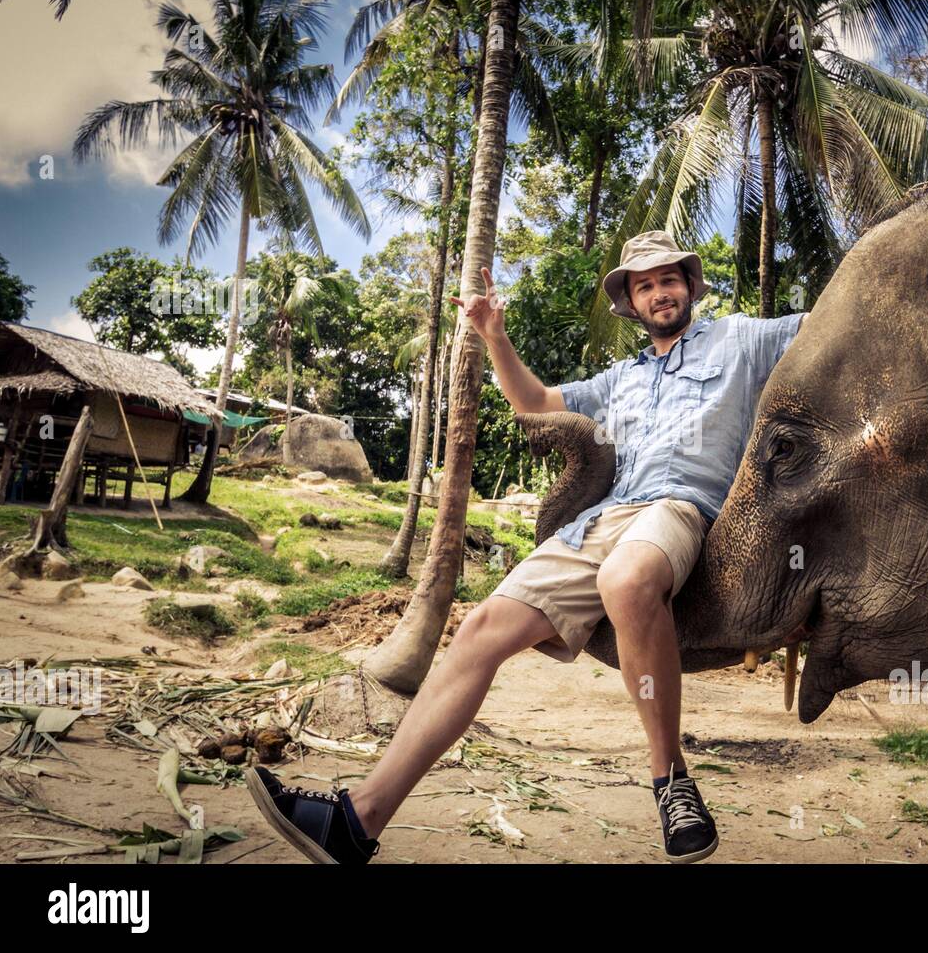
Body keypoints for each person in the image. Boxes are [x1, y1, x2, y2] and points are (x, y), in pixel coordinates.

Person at [246, 230, 808, 864]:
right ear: (630, 301)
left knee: (625, 580)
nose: (659, 291)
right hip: (601, 521)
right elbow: (535, 403)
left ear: (690, 285)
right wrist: (493, 335)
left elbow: (835, 322)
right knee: (479, 629)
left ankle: (671, 781)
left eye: (668, 278)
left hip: (681, 511)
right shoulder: (621, 377)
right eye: (644, 284)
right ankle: (355, 822)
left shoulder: (744, 338)